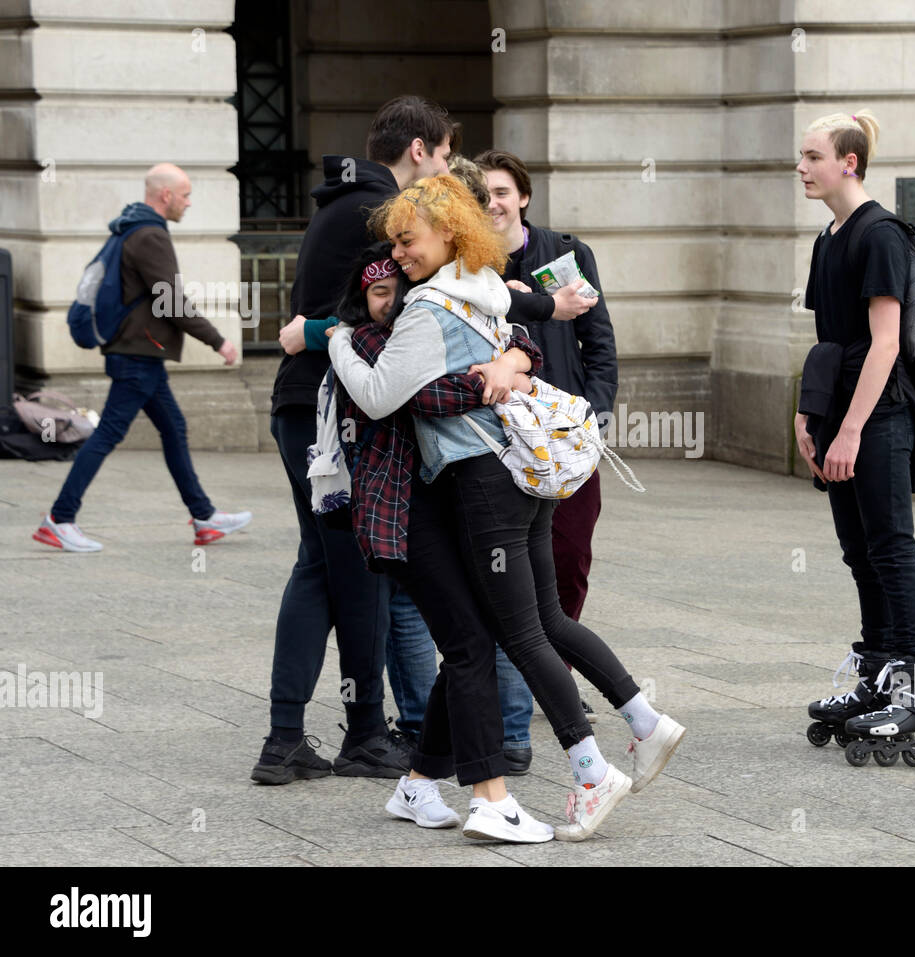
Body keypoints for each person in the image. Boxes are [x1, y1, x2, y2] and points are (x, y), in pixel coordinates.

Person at [328, 174, 685, 841]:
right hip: (517, 466)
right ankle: (639, 722)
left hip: (481, 476)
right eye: (393, 248)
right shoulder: (485, 287)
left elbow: (386, 396)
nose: (399, 256)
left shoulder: (430, 308)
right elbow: (520, 330)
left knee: (511, 634)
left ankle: (587, 771)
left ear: (446, 234)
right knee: (514, 627)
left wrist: (335, 342)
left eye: (407, 241)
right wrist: (510, 364)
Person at [251, 95, 456, 786]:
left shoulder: (340, 203)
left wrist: (310, 332)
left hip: (302, 404)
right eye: (447, 153)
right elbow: (386, 312)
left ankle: (307, 735)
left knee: (327, 563)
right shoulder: (381, 215)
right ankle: (352, 733)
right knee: (352, 564)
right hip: (334, 412)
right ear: (421, 149)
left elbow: (324, 312)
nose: (447, 169)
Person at [792, 110, 915, 744]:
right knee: (861, 555)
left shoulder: (880, 235)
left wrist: (852, 429)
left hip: (881, 417)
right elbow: (831, 341)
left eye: (811, 157)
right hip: (843, 414)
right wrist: (811, 415)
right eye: (801, 158)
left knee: (892, 551)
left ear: (848, 162)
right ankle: (882, 675)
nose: (801, 169)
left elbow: (884, 345)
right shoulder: (829, 238)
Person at [35, 163, 250, 553]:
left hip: (139, 353)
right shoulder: (150, 235)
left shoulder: (130, 229)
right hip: (136, 355)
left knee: (174, 428)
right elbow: (171, 300)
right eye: (185, 195)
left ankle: (203, 516)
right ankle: (59, 519)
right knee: (107, 434)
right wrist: (218, 341)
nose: (189, 202)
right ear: (165, 195)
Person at [476, 148, 617, 724]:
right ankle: (517, 674)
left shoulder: (566, 253)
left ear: (524, 197)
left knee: (569, 556)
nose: (493, 202)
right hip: (501, 437)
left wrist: (597, 417)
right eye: (481, 193)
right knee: (506, 562)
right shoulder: (466, 267)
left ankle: (551, 670)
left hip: (566, 437)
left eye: (503, 191)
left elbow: (600, 344)